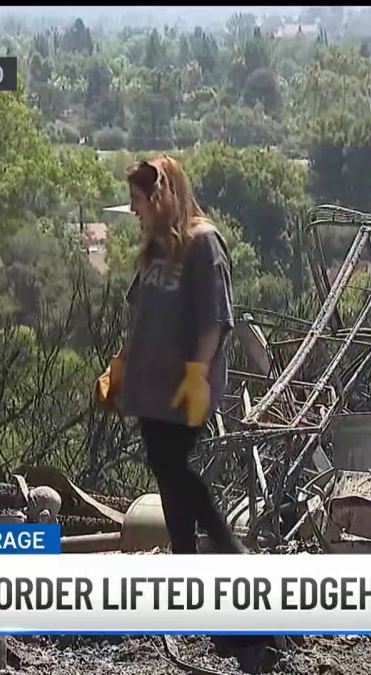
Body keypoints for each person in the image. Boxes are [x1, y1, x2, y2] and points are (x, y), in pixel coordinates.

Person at [97, 155, 247, 555]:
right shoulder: (157, 248)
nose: (133, 209)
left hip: (186, 381)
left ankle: (230, 549)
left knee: (171, 463)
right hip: (152, 384)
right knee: (164, 469)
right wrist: (121, 363)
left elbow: (215, 318)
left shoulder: (203, 243)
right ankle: (186, 557)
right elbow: (143, 314)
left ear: (161, 195)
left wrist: (198, 373)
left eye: (137, 199)